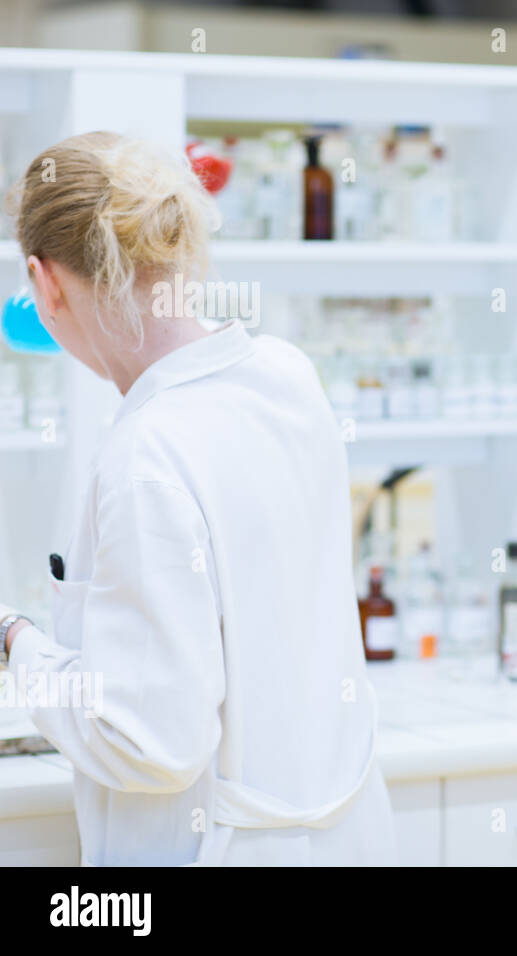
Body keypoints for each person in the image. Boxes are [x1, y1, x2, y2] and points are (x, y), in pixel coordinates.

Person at [0, 131, 396, 865]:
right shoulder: (287, 374)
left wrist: (17, 642)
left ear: (44, 282)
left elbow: (149, 740)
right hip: (347, 834)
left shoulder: (145, 451)